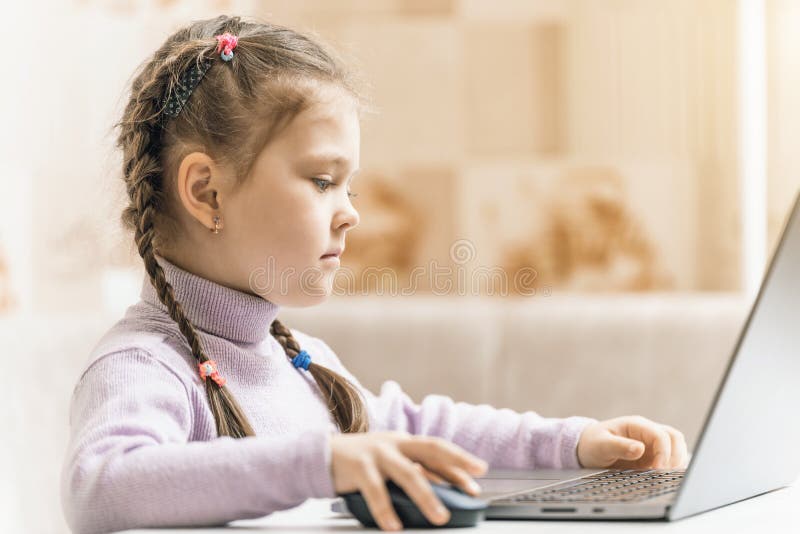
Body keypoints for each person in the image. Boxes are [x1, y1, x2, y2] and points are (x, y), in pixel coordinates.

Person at [60, 15, 688, 534]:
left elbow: (415, 429)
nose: (352, 213)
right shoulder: (145, 366)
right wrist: (323, 461)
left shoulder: (300, 360)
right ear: (207, 191)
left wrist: (576, 443)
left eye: (349, 185)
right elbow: (103, 485)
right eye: (323, 181)